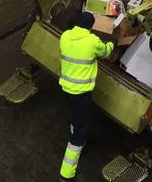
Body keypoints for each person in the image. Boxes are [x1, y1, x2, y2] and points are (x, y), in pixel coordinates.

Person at [59, 11, 114, 180]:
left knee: (77, 117)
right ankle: (66, 174)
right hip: (81, 92)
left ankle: (79, 138)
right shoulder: (92, 41)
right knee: (79, 132)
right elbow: (105, 52)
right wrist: (113, 43)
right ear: (91, 26)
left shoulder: (65, 36)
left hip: (67, 88)